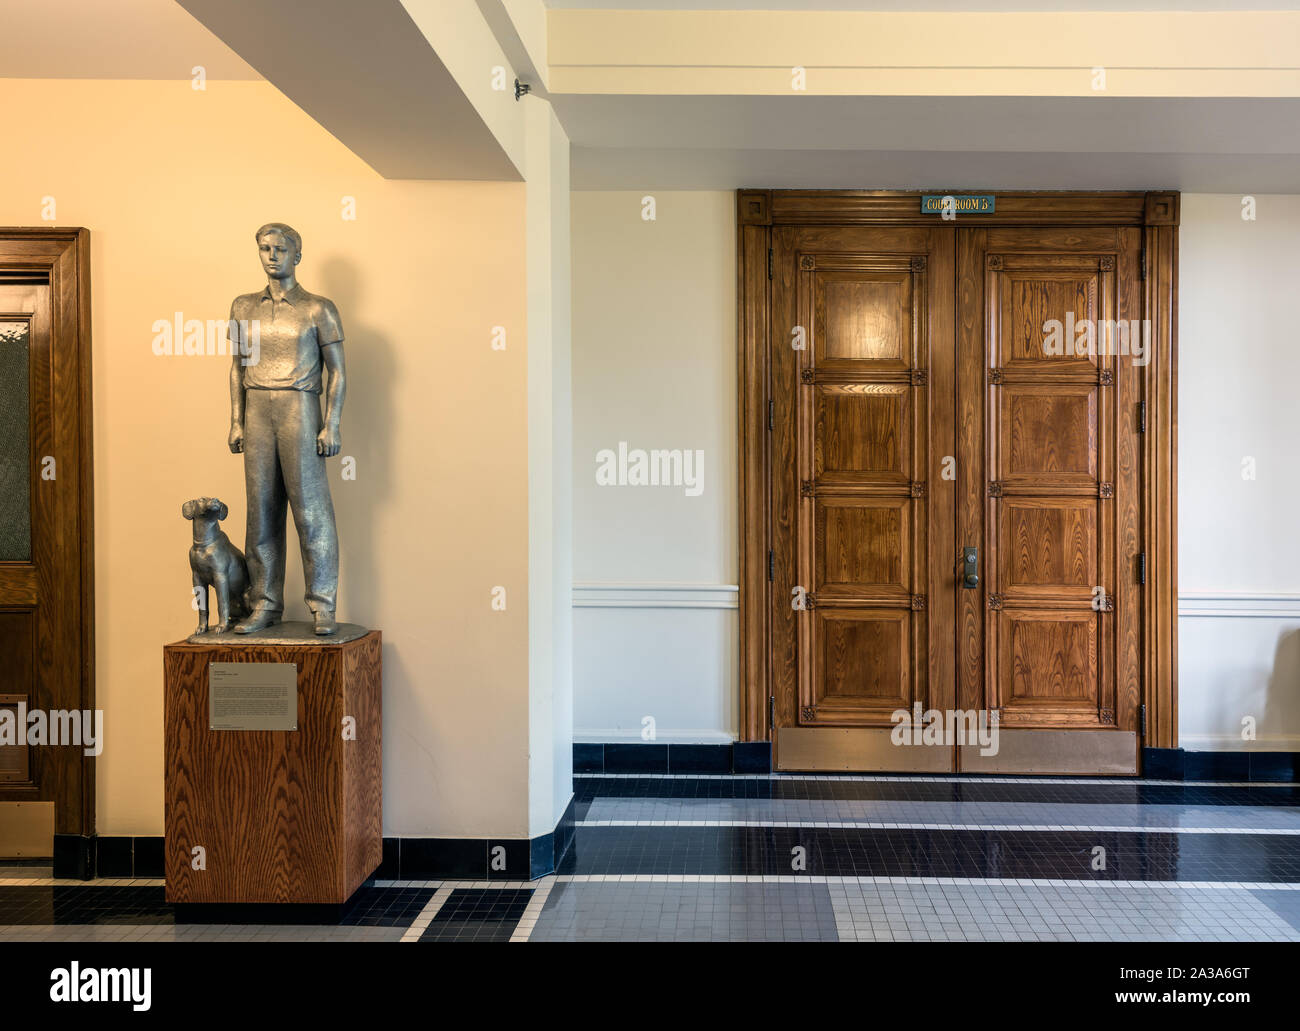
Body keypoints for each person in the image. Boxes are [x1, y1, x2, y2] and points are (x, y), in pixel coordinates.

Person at [226, 223, 345, 635]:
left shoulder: (318, 308)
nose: (271, 255)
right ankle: (264, 603)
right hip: (258, 405)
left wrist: (331, 425)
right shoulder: (244, 306)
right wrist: (236, 420)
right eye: (264, 248)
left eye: (280, 249)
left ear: (297, 255)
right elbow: (237, 368)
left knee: (311, 511)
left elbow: (338, 373)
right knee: (260, 511)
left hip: (300, 406)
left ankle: (323, 604)